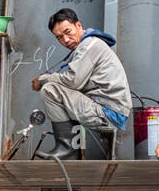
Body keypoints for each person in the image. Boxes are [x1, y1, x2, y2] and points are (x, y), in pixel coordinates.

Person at [32, 8, 131, 158]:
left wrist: (42, 79)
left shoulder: (90, 45)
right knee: (60, 91)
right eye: (59, 37)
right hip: (106, 110)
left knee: (50, 90)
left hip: (108, 113)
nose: (65, 40)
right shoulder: (86, 46)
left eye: (68, 32)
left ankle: (66, 148)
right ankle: (72, 150)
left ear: (78, 26)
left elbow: (73, 81)